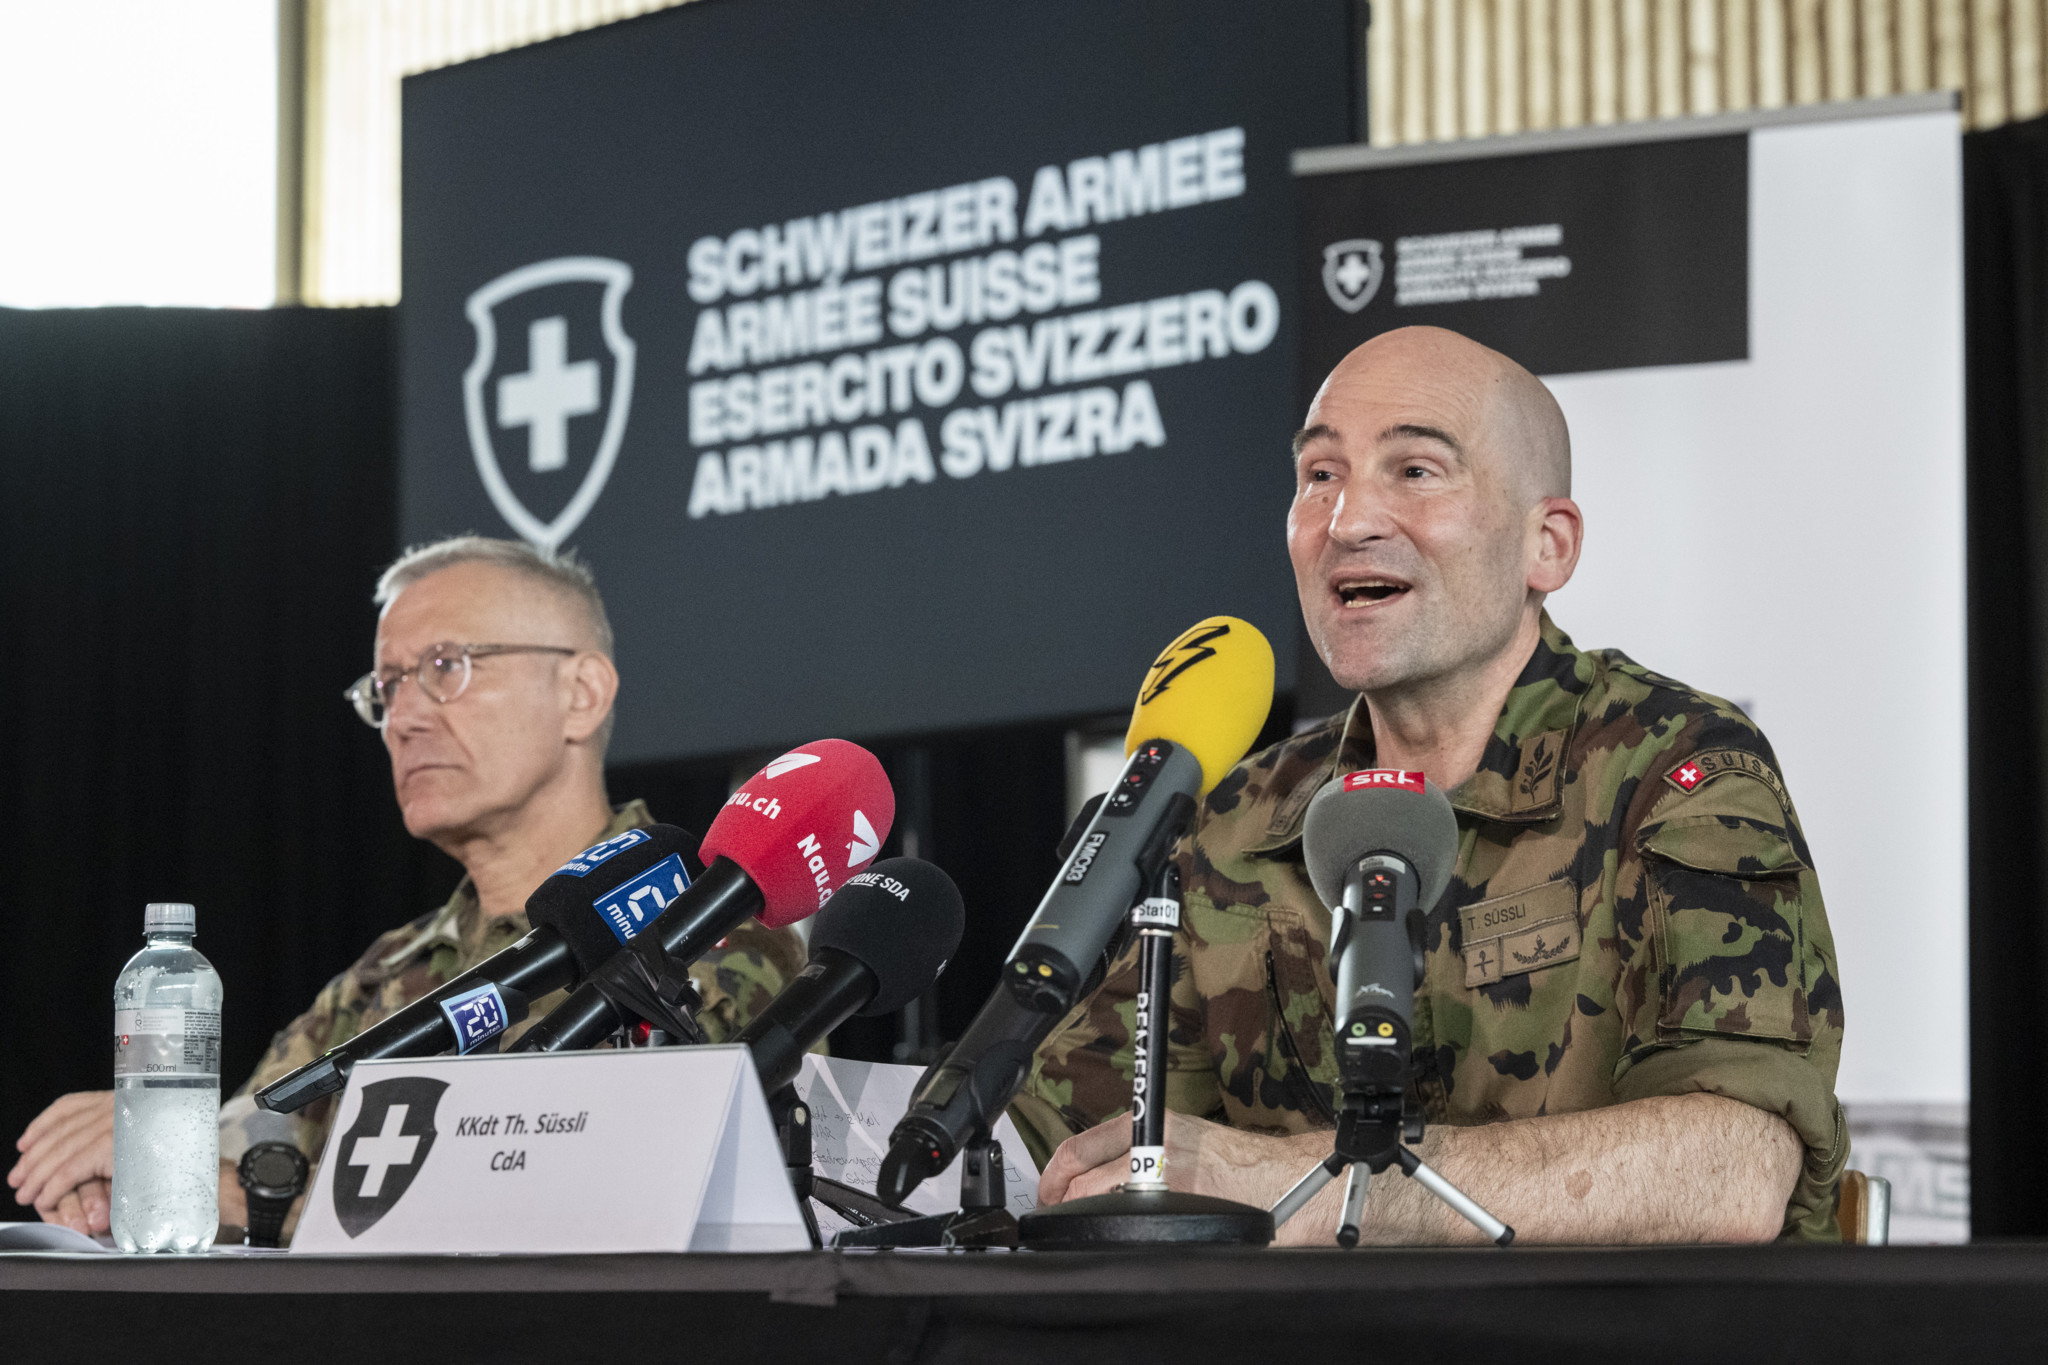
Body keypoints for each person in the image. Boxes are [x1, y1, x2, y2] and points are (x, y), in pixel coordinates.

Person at [1013, 326, 1847, 1244]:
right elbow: (1046, 1152)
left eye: (1414, 471)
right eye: (1319, 476)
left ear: (1549, 545)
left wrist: (1305, 1183)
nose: (1347, 521)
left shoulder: (1677, 770)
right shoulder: (1232, 821)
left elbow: (1729, 1171)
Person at [10, 537, 804, 1238]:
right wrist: (134, 1161)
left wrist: (249, 1200)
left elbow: (601, 1200)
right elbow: (246, 1143)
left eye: (445, 668)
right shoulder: (387, 971)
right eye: (388, 686)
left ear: (582, 694)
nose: (404, 718)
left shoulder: (715, 921)